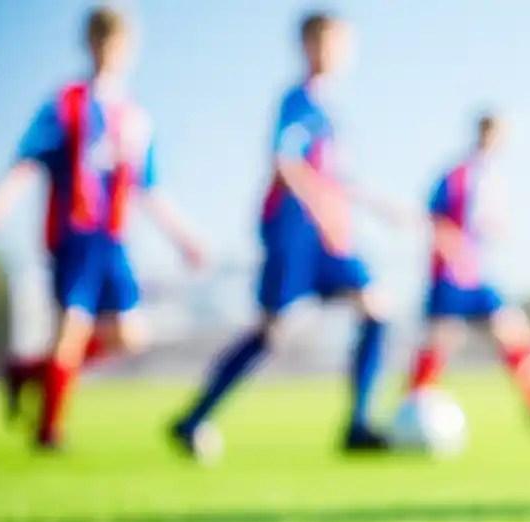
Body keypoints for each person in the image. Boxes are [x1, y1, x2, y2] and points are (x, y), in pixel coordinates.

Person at [171, 11, 409, 460]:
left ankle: (358, 424)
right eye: (323, 42)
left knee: (377, 311)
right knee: (272, 334)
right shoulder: (296, 101)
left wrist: (383, 207)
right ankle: (194, 417)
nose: (332, 52)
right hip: (295, 231)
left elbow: (339, 179)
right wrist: (323, 212)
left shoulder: (329, 112)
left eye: (339, 44)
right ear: (306, 46)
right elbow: (285, 162)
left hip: (328, 236)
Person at [0, 6, 205, 451]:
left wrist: (184, 237)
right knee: (72, 329)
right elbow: (28, 158)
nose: (110, 52)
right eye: (102, 41)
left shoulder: (135, 118)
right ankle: (49, 432)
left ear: (130, 49)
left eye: (117, 44)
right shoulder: (66, 102)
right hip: (74, 234)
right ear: (89, 44)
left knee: (130, 333)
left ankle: (28, 372)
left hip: (114, 237)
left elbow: (149, 187)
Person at [404, 113, 530, 427]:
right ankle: (411, 410)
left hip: (479, 275)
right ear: (484, 133)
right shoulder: (459, 174)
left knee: (514, 334)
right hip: (451, 275)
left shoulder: (493, 176)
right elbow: (433, 218)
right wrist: (453, 250)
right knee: (439, 343)